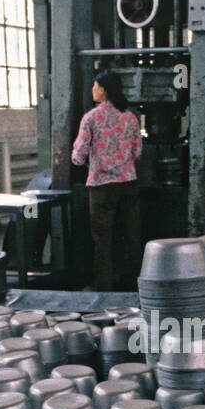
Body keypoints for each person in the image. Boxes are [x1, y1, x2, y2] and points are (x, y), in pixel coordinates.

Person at [71, 70, 142, 292]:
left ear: (103, 90)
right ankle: (136, 284)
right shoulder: (130, 117)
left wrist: (79, 161)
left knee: (102, 238)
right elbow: (137, 151)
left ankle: (103, 286)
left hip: (102, 187)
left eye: (95, 86)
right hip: (128, 184)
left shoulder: (91, 117)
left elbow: (79, 153)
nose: (93, 90)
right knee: (132, 235)